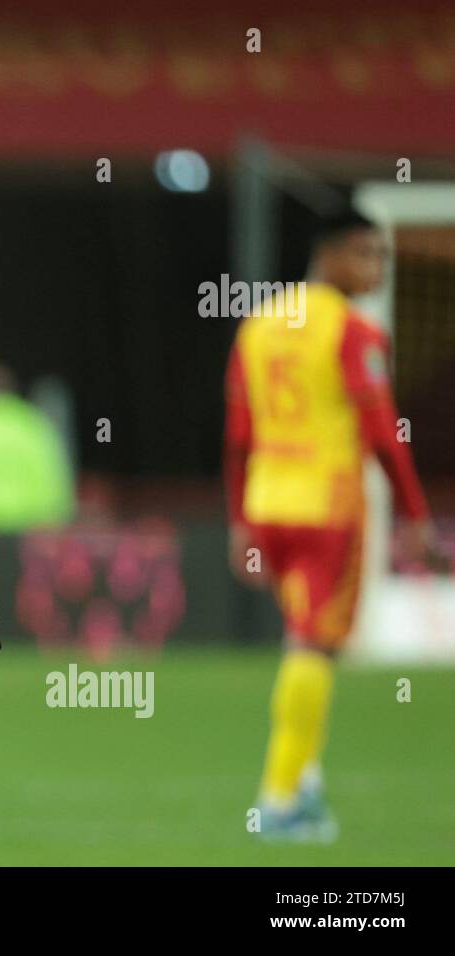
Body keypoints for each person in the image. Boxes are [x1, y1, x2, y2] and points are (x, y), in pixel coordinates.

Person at [224, 209, 442, 842]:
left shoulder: (259, 326)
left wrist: (239, 520)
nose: (379, 268)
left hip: (269, 505)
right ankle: (280, 797)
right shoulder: (354, 331)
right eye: (370, 254)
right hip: (329, 510)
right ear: (336, 255)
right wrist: (415, 513)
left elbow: (238, 436)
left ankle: (307, 779)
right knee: (313, 646)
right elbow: (382, 432)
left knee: (302, 638)